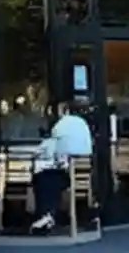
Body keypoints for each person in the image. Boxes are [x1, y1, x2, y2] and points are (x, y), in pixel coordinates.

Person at [28, 100, 93, 234]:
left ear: (65, 111)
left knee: (45, 178)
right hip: (83, 177)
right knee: (51, 178)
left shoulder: (61, 125)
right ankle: (48, 214)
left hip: (68, 175)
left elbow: (51, 147)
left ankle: (46, 214)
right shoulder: (83, 125)